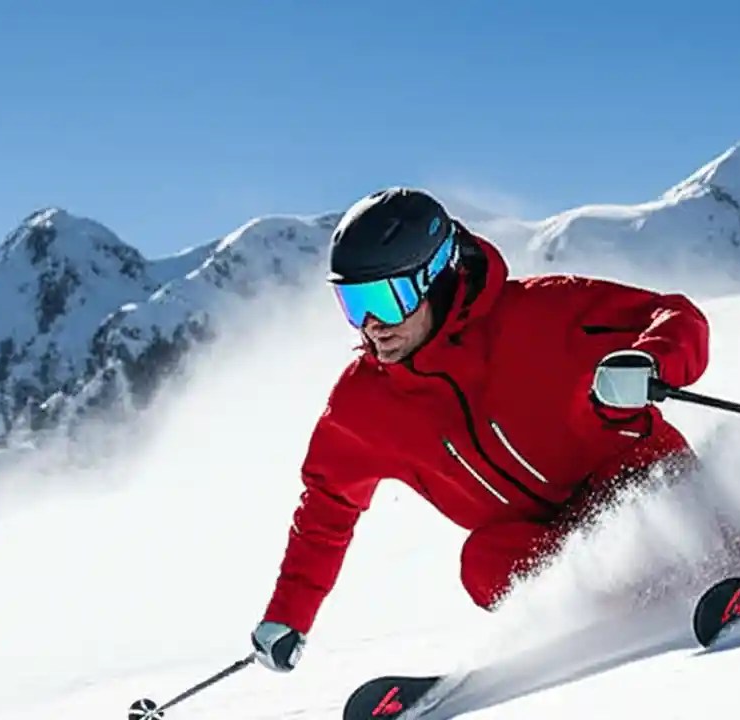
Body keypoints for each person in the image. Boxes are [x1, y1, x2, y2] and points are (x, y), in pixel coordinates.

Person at [249, 187, 711, 672]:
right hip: (558, 543)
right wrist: (288, 618)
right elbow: (327, 510)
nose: (371, 326)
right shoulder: (363, 405)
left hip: (645, 482)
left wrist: (652, 360)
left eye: (388, 298)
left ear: (435, 276)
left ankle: (720, 552)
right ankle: (625, 617)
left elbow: (676, 316)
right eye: (353, 302)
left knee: (647, 497)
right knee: (486, 565)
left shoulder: (540, 313)